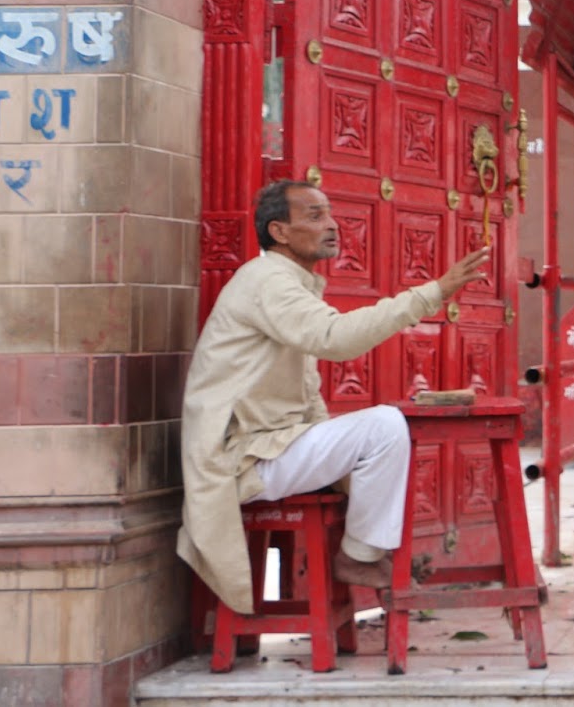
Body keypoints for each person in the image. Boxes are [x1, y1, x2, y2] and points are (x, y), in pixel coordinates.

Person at [178, 179, 491, 615]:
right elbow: (334, 337)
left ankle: (369, 553)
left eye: (328, 213)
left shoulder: (289, 283)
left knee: (379, 432)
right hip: (239, 459)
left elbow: (307, 392)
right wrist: (432, 293)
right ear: (279, 232)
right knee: (385, 425)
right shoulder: (267, 280)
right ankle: (358, 559)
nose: (332, 225)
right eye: (314, 215)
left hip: (270, 446)